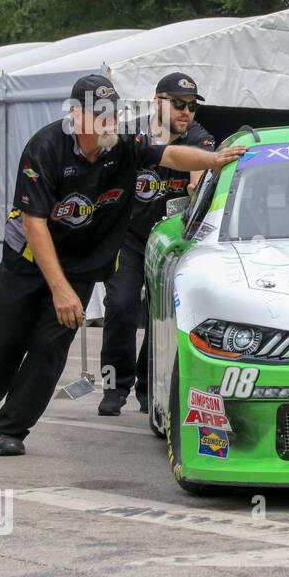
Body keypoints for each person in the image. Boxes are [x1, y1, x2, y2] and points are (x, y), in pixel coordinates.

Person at [0, 75, 244, 456]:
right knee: (3, 341)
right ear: (77, 116)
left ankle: (13, 428)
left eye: (114, 113)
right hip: (28, 260)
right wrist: (57, 288)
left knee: (50, 349)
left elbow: (171, 156)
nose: (110, 121)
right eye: (100, 114)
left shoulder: (123, 145)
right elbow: (35, 223)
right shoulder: (45, 147)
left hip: (81, 264)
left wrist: (213, 160)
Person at [98, 72, 215, 416]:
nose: (186, 112)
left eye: (192, 106)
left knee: (161, 316)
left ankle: (150, 388)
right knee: (121, 306)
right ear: (158, 102)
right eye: (179, 104)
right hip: (129, 238)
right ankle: (113, 386)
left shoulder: (199, 138)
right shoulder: (130, 135)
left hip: (171, 243)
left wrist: (196, 185)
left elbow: (199, 172)